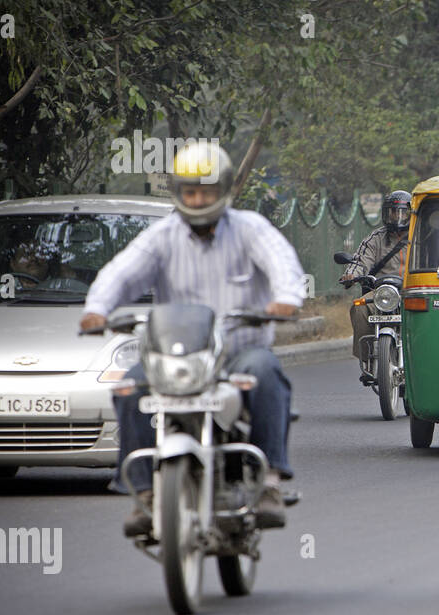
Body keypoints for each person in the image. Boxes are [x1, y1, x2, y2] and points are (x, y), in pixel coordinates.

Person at [80, 143, 305, 537]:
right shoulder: (162, 236)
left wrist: (286, 299)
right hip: (175, 357)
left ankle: (268, 481)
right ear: (178, 193)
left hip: (238, 353)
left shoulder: (251, 229)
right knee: (129, 386)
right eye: (190, 191)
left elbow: (281, 263)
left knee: (266, 371)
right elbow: (122, 273)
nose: (198, 199)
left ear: (224, 191)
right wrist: (97, 308)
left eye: (206, 191)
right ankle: (146, 496)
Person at [341, 190, 411, 364]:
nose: (398, 216)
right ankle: (369, 359)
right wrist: (352, 274)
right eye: (393, 212)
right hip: (383, 293)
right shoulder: (376, 238)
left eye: (403, 212)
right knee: (359, 308)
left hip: (413, 292)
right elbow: (360, 260)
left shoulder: (421, 236)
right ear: (386, 214)